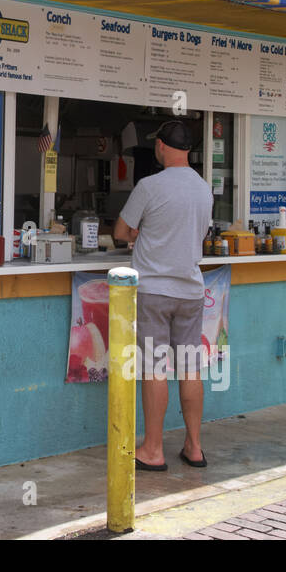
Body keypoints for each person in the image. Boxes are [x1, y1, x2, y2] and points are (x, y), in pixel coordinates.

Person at [113, 118, 214, 471]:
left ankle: (153, 450)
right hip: (190, 291)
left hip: (154, 290)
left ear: (160, 146)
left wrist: (141, 233)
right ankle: (195, 446)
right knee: (190, 369)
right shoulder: (204, 189)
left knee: (154, 369)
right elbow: (198, 233)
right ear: (188, 149)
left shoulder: (149, 186)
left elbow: (121, 231)